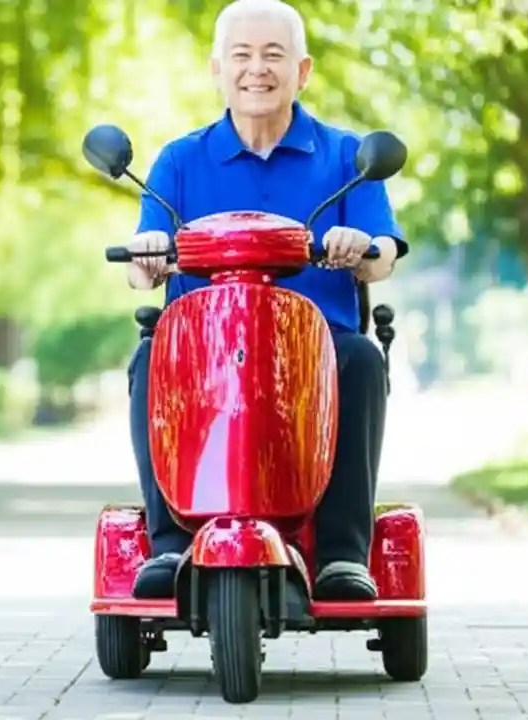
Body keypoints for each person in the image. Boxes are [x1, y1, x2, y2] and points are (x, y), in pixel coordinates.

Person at [123, 0, 408, 602]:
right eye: (242, 55)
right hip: (203, 350)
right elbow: (141, 270)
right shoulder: (178, 161)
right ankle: (169, 541)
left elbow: (383, 254)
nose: (257, 69)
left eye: (273, 55)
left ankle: (341, 554)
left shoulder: (347, 157)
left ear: (302, 71)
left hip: (317, 350)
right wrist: (147, 252)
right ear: (217, 69)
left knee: (361, 359)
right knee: (148, 360)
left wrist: (358, 247)